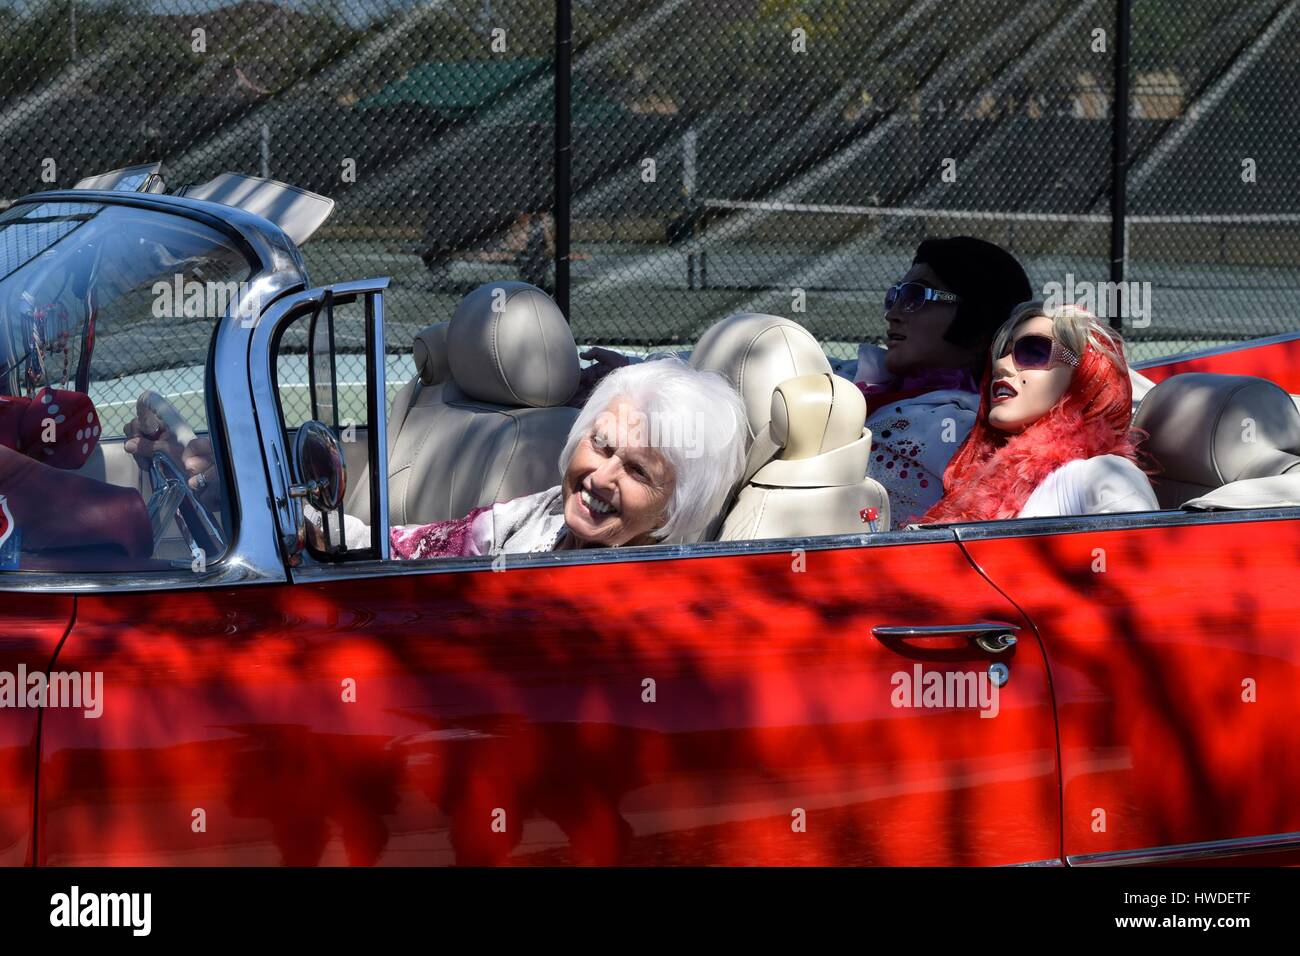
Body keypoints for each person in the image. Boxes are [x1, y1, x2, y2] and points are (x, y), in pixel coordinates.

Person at [577, 236, 1033, 523]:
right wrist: (633, 370)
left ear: (977, 315)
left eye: (916, 296)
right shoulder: (862, 381)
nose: (893, 310)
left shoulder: (959, 430)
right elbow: (739, 373)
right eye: (896, 293)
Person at [311, 358, 749, 558]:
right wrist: (314, 529)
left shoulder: (651, 597)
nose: (602, 477)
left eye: (637, 471)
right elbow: (412, 549)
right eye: (601, 444)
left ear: (672, 510)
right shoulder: (541, 517)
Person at [919, 302, 1157, 523]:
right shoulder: (974, 473)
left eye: (1033, 351)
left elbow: (1137, 560)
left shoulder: (1106, 473)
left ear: (1087, 373)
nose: (1001, 365)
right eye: (1001, 352)